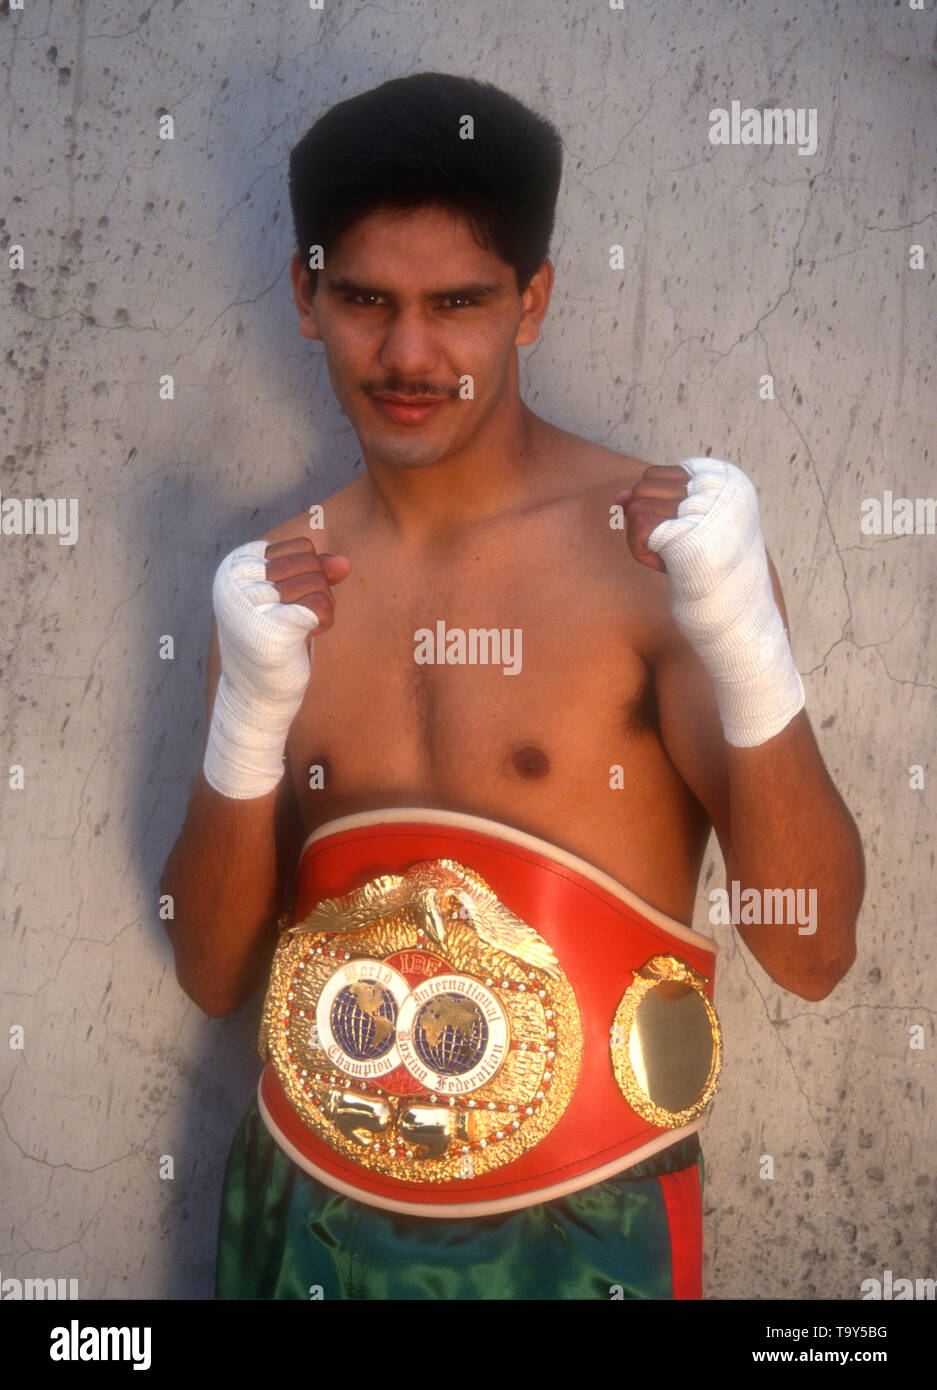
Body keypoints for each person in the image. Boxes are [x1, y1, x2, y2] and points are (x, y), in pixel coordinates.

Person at [160, 71, 864, 1300]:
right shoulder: (276, 590)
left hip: (586, 1227)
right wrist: (245, 717)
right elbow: (216, 976)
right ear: (305, 295)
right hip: (300, 1212)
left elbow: (810, 953)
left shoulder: (663, 562)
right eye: (367, 299)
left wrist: (747, 644)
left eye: (461, 302)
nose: (411, 351)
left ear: (532, 301)